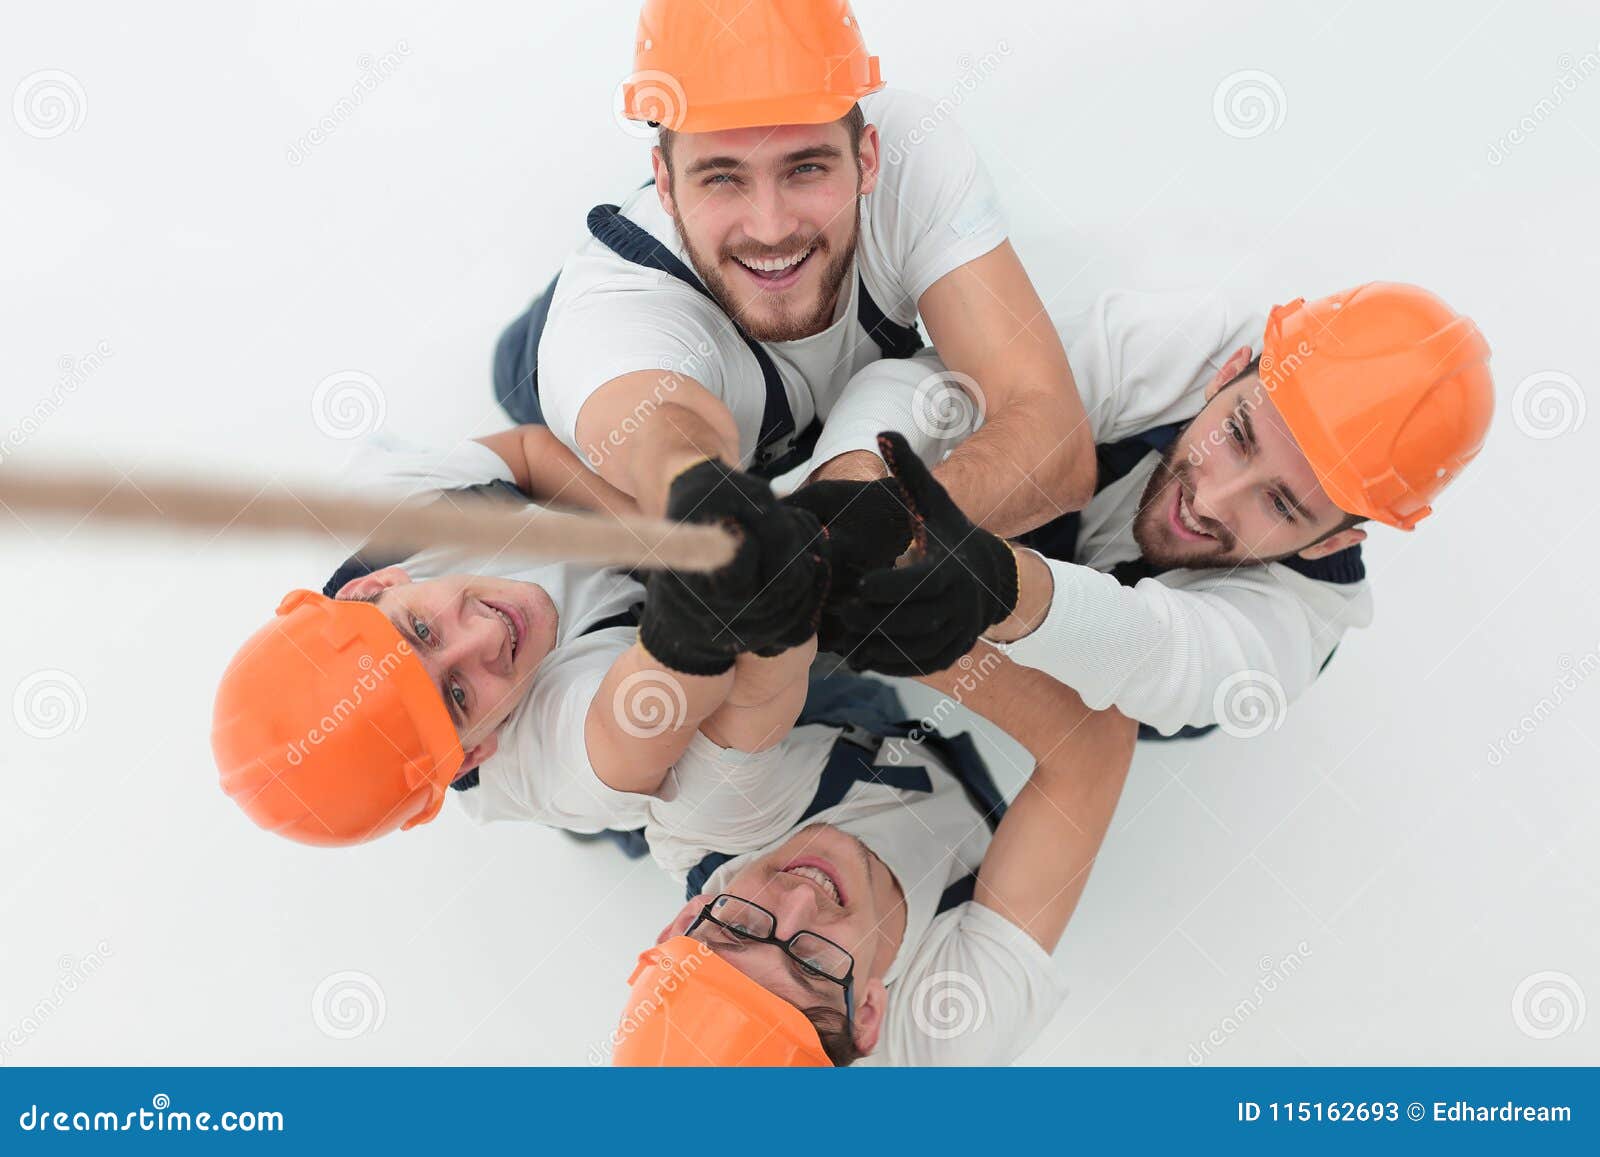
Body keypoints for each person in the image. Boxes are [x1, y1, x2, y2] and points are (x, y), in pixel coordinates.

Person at [494, 0, 1098, 665]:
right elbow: (663, 429)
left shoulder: (912, 150)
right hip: (557, 376)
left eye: (805, 168)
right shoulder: (610, 318)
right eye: (722, 176)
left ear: (868, 158)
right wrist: (695, 483)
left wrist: (897, 516)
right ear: (664, 184)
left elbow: (1056, 440)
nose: (772, 226)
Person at [603, 425, 1139, 1065]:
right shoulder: (953, 1021)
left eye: (737, 929)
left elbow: (782, 595)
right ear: (871, 1017)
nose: (800, 897)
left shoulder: (708, 818)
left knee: (634, 780)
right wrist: (936, 628)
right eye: (812, 964)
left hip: (823, 729)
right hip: (930, 793)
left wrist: (827, 592)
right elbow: (1098, 739)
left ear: (683, 922)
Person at [823, 283, 1495, 737]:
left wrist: (993, 584)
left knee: (1095, 702)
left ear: (1327, 544)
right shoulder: (1169, 339)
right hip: (1019, 537)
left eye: (1282, 504)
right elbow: (930, 384)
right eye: (1237, 437)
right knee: (1028, 430)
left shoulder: (1287, 639)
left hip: (1103, 683)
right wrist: (854, 493)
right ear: (1227, 370)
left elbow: (1157, 653)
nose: (1211, 499)